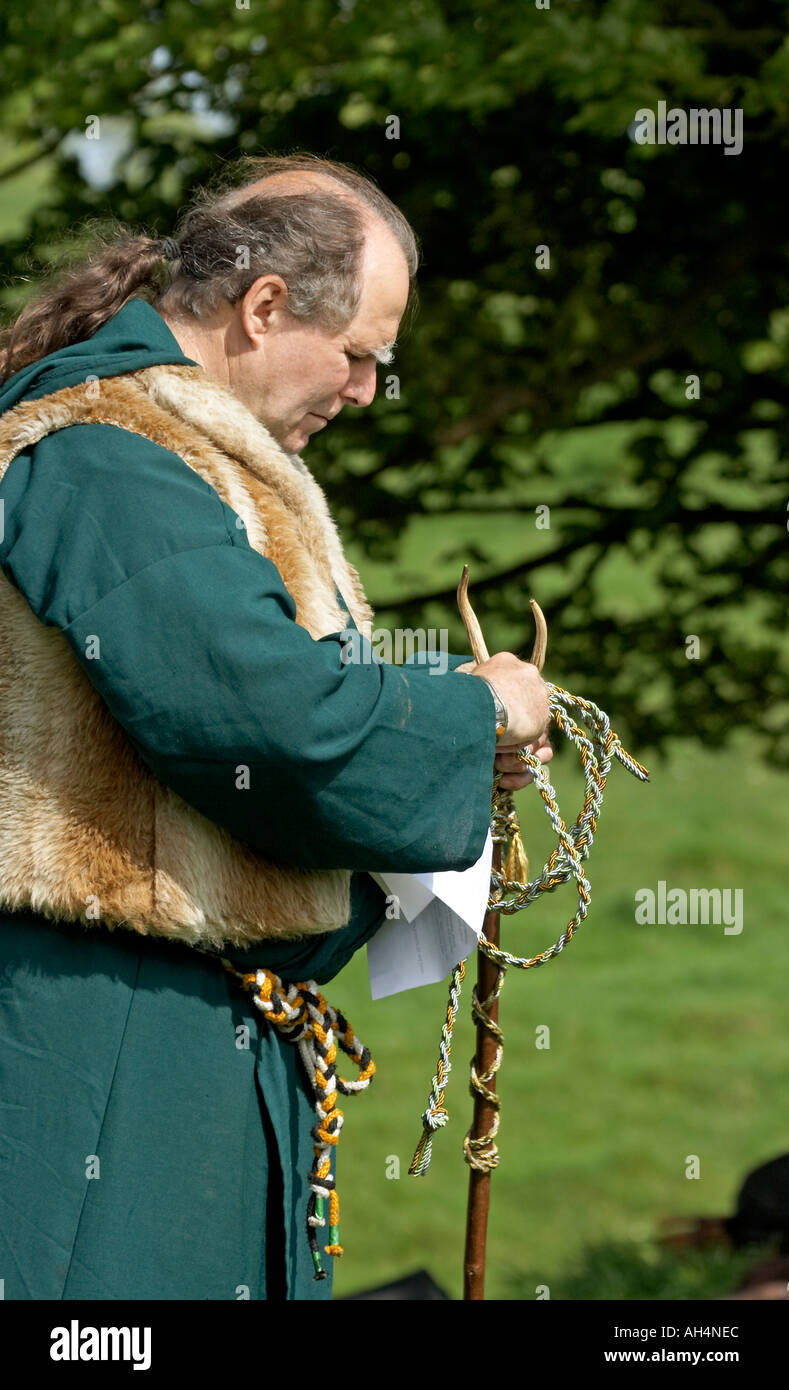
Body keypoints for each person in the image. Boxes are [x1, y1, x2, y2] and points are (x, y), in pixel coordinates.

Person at [0, 153, 552, 1300]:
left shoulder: (173, 450)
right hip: (104, 1043)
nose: (363, 391)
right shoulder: (107, 452)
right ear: (264, 308)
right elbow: (267, 724)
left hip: (200, 1031)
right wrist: (475, 711)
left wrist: (456, 729)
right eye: (359, 355)